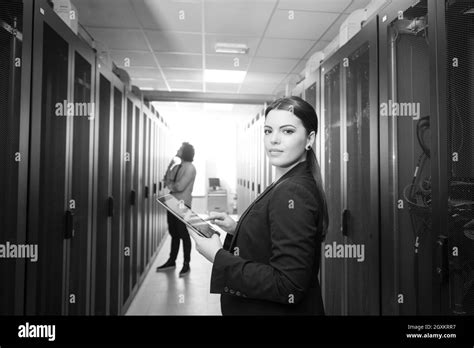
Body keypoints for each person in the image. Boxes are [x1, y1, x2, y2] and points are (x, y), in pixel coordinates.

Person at [187, 96, 329, 315]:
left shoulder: (293, 191)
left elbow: (288, 285)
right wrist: (237, 230)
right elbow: (274, 241)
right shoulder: (289, 182)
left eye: (287, 131)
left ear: (310, 139)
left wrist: (217, 255)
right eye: (268, 131)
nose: (274, 139)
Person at [156, 142, 197, 277]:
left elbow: (179, 186)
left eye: (180, 149)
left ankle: (186, 264)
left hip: (182, 205)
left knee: (184, 235)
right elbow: (166, 179)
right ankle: (172, 261)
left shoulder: (190, 168)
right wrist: (169, 166)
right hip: (172, 203)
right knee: (174, 233)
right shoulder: (177, 166)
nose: (178, 150)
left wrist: (171, 184)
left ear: (185, 152)